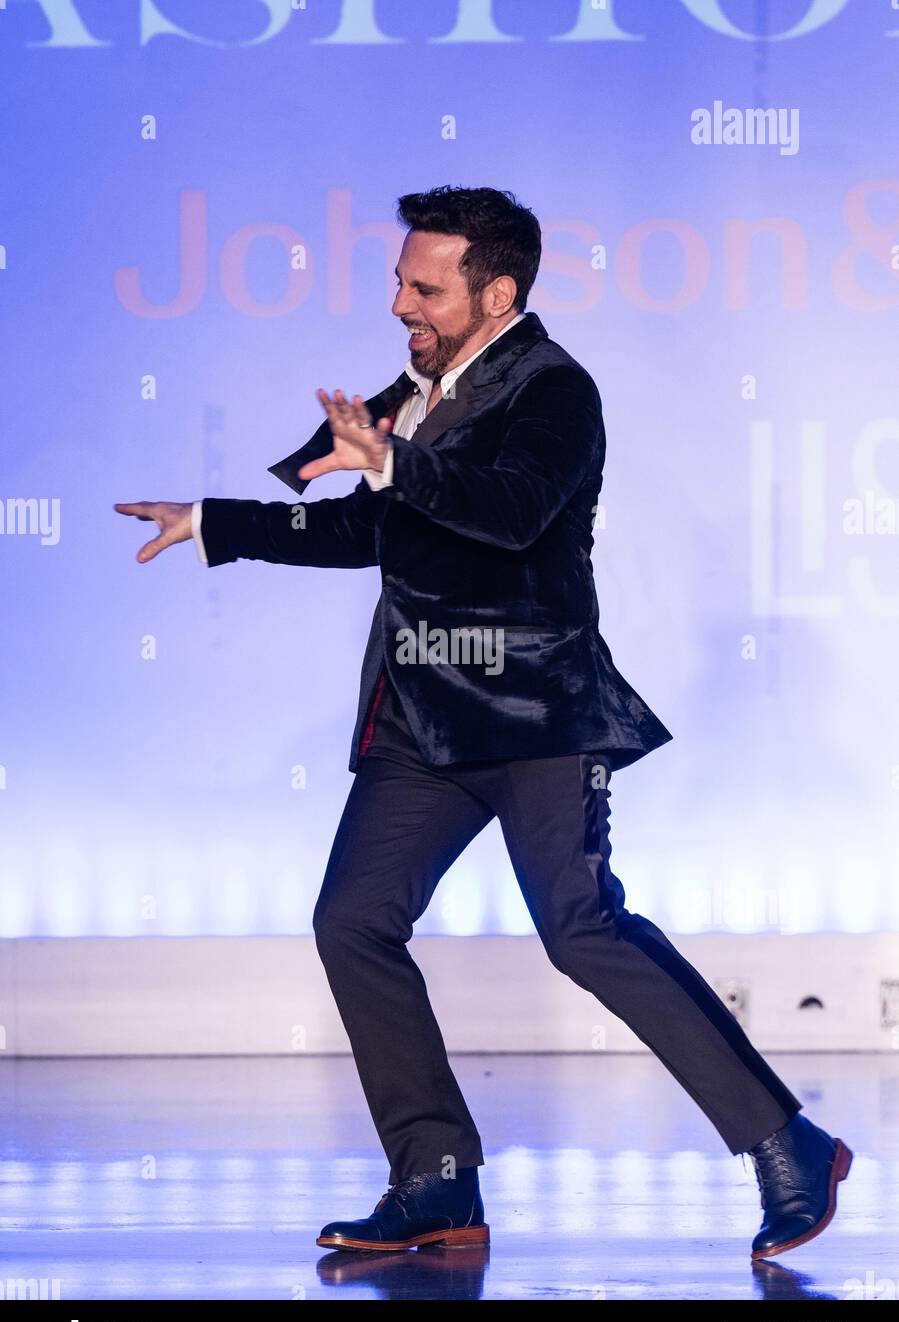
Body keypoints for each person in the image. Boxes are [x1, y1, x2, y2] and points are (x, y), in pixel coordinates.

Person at [115, 185, 851, 1259]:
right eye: (398, 282)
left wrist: (394, 460)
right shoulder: (415, 394)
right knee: (352, 920)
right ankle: (436, 1179)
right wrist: (211, 522)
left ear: (495, 292)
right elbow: (370, 525)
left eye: (424, 286)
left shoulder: (553, 391)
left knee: (580, 928)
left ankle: (787, 1140)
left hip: (534, 710)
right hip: (422, 715)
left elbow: (506, 511)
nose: (399, 303)